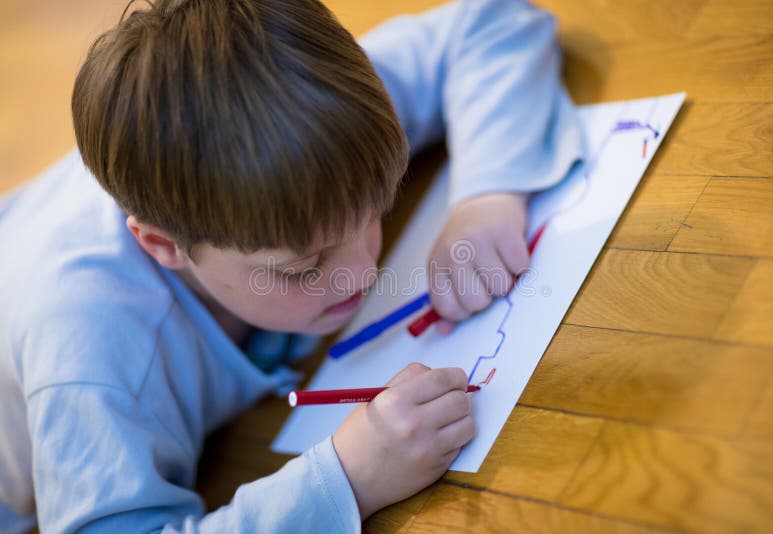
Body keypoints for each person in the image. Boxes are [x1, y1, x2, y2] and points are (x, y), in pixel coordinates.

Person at [0, 0, 583, 531]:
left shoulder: (304, 121)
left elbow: (488, 23)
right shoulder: (89, 351)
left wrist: (488, 196)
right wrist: (349, 479)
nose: (362, 272)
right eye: (305, 268)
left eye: (377, 207)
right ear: (163, 245)